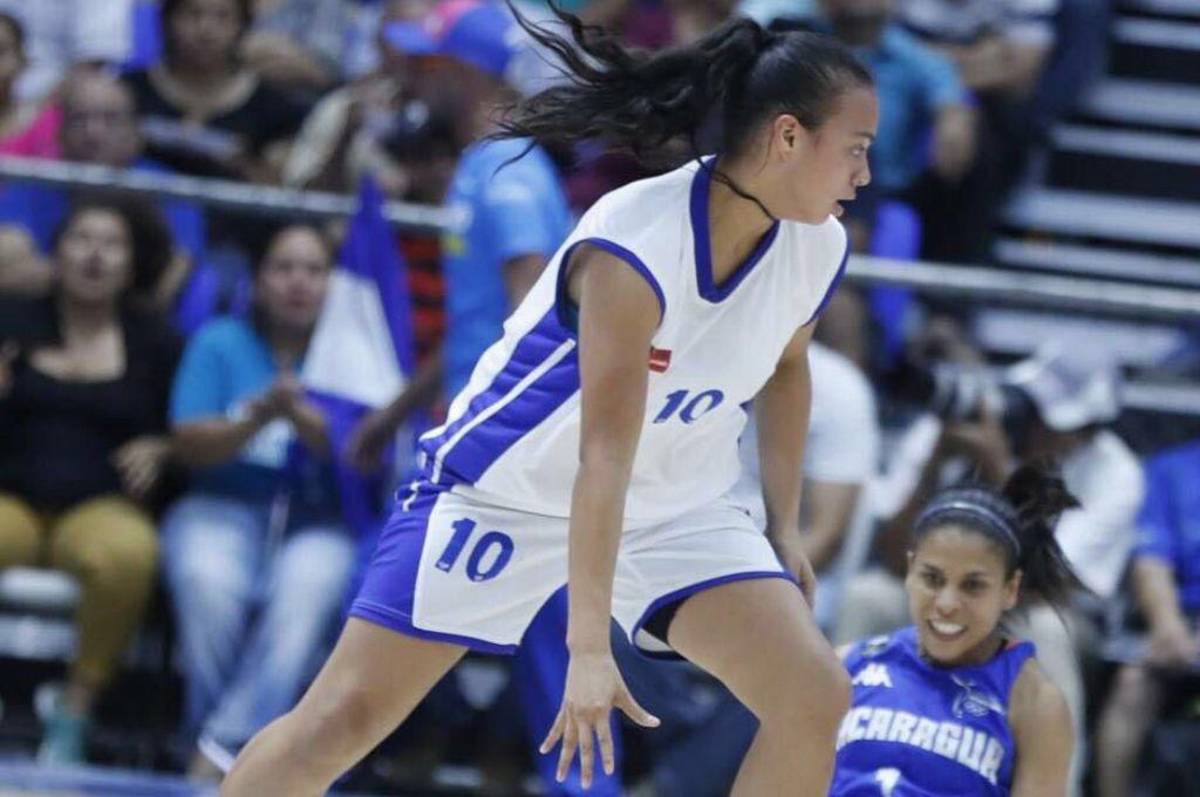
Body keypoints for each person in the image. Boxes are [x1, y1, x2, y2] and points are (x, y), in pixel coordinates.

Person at [223, 6, 876, 795]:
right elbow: (602, 454)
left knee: (815, 694)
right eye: (856, 151)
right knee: (340, 722)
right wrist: (588, 646)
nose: (864, 177)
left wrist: (784, 524)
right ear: (787, 137)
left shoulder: (817, 240)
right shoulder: (634, 244)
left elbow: (788, 365)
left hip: (673, 509)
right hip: (507, 493)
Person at [160, 223, 356, 779]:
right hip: (219, 504)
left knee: (306, 594)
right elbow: (189, 442)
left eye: (314, 270)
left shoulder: (354, 353)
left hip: (319, 519)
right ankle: (241, 758)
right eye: (284, 268)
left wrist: (311, 426)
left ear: (333, 284)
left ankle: (218, 749)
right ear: (259, 280)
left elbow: (366, 458)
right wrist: (260, 415)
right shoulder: (220, 340)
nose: (299, 282)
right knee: (208, 582)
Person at [0, 198, 181, 764]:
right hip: (11, 492)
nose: (95, 256)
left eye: (112, 243)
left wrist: (161, 445)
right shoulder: (9, 318)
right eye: (81, 239)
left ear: (133, 263)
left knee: (127, 555)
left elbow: (187, 428)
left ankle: (76, 706)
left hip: (102, 502)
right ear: (56, 251)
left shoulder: (158, 341)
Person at [830, 465, 1080, 796]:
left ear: (1010, 589)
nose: (947, 603)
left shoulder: (1035, 703)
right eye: (932, 579)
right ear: (909, 572)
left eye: (973, 586)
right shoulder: (847, 665)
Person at [1094, 440, 1200, 797]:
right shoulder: (1172, 468)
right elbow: (1151, 557)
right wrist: (1168, 627)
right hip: (1184, 622)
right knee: (1132, 686)